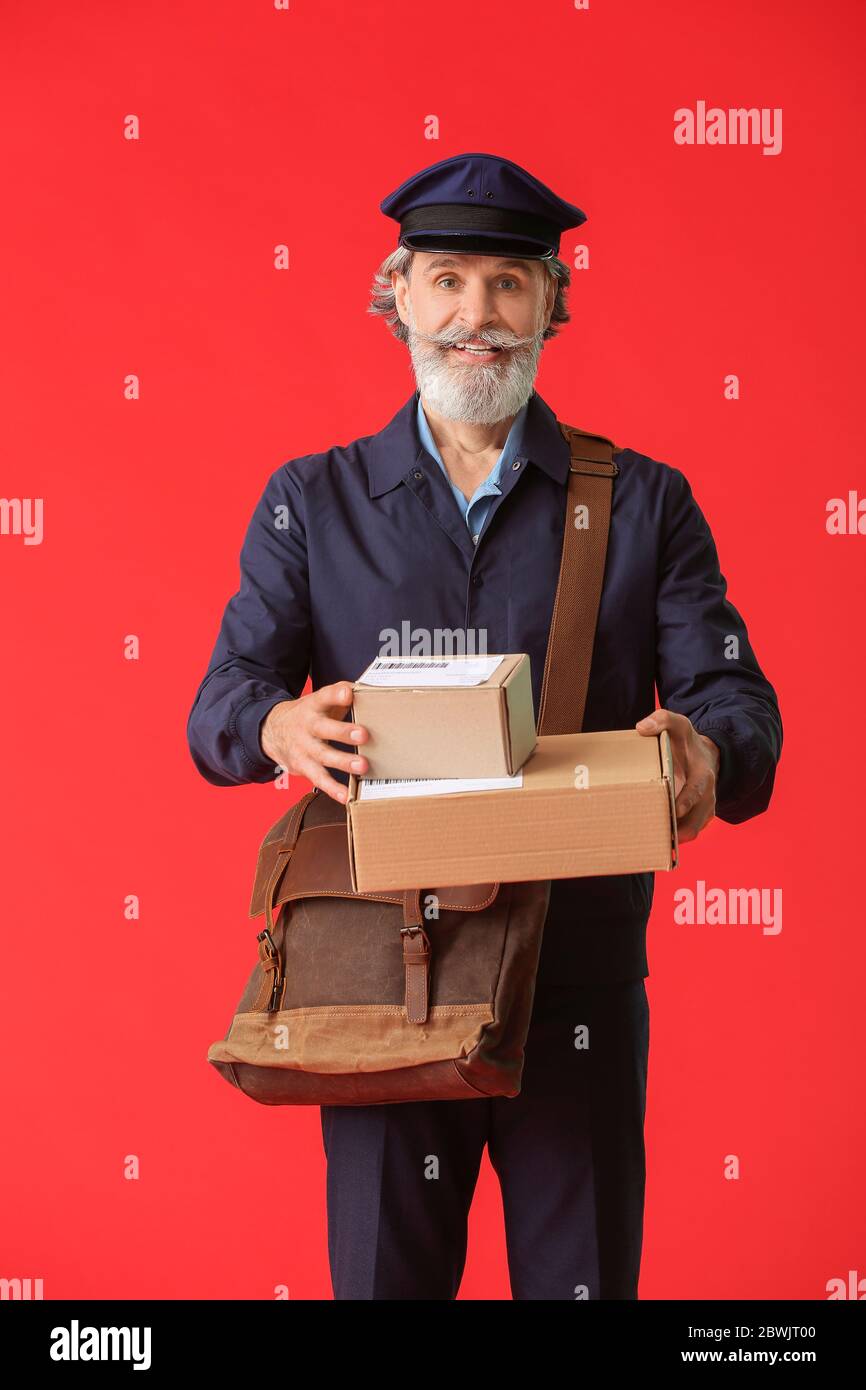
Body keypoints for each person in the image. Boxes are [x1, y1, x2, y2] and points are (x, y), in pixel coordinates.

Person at [187, 151, 783, 1299]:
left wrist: (704, 748)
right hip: (376, 974)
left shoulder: (643, 501)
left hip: (577, 976)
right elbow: (217, 706)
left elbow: (734, 703)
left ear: (552, 306)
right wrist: (277, 727)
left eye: (509, 285)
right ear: (395, 297)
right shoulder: (309, 500)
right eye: (447, 280)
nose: (477, 315)